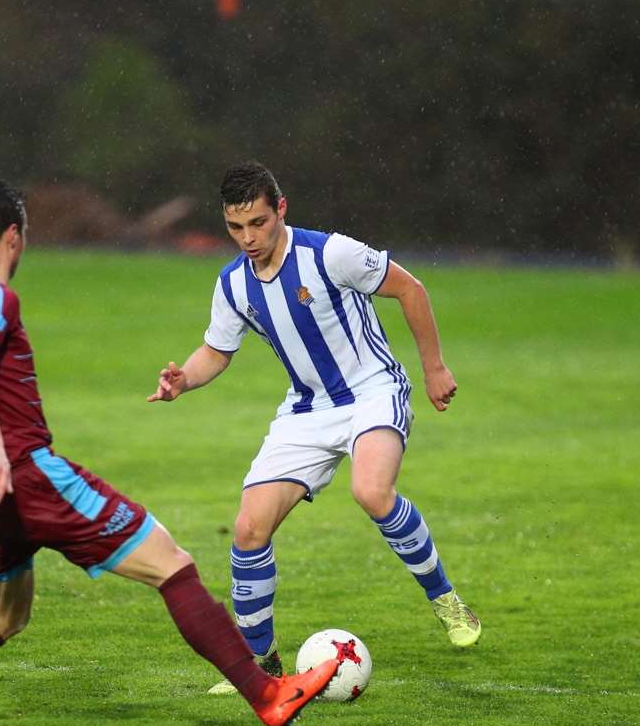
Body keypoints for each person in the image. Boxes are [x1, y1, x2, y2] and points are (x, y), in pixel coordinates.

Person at [0, 177, 338, 726]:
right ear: (15, 235)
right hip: (26, 475)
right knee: (173, 567)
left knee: (1, 617)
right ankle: (267, 694)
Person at [148, 161, 481, 692]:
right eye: (236, 228)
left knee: (371, 491)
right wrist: (181, 380)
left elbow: (411, 289)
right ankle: (261, 669)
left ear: (281, 209)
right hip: (306, 410)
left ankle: (448, 602)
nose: (248, 238)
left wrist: (434, 367)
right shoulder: (234, 283)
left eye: (258, 223)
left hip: (374, 391)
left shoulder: (331, 253)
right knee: (248, 529)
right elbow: (216, 350)